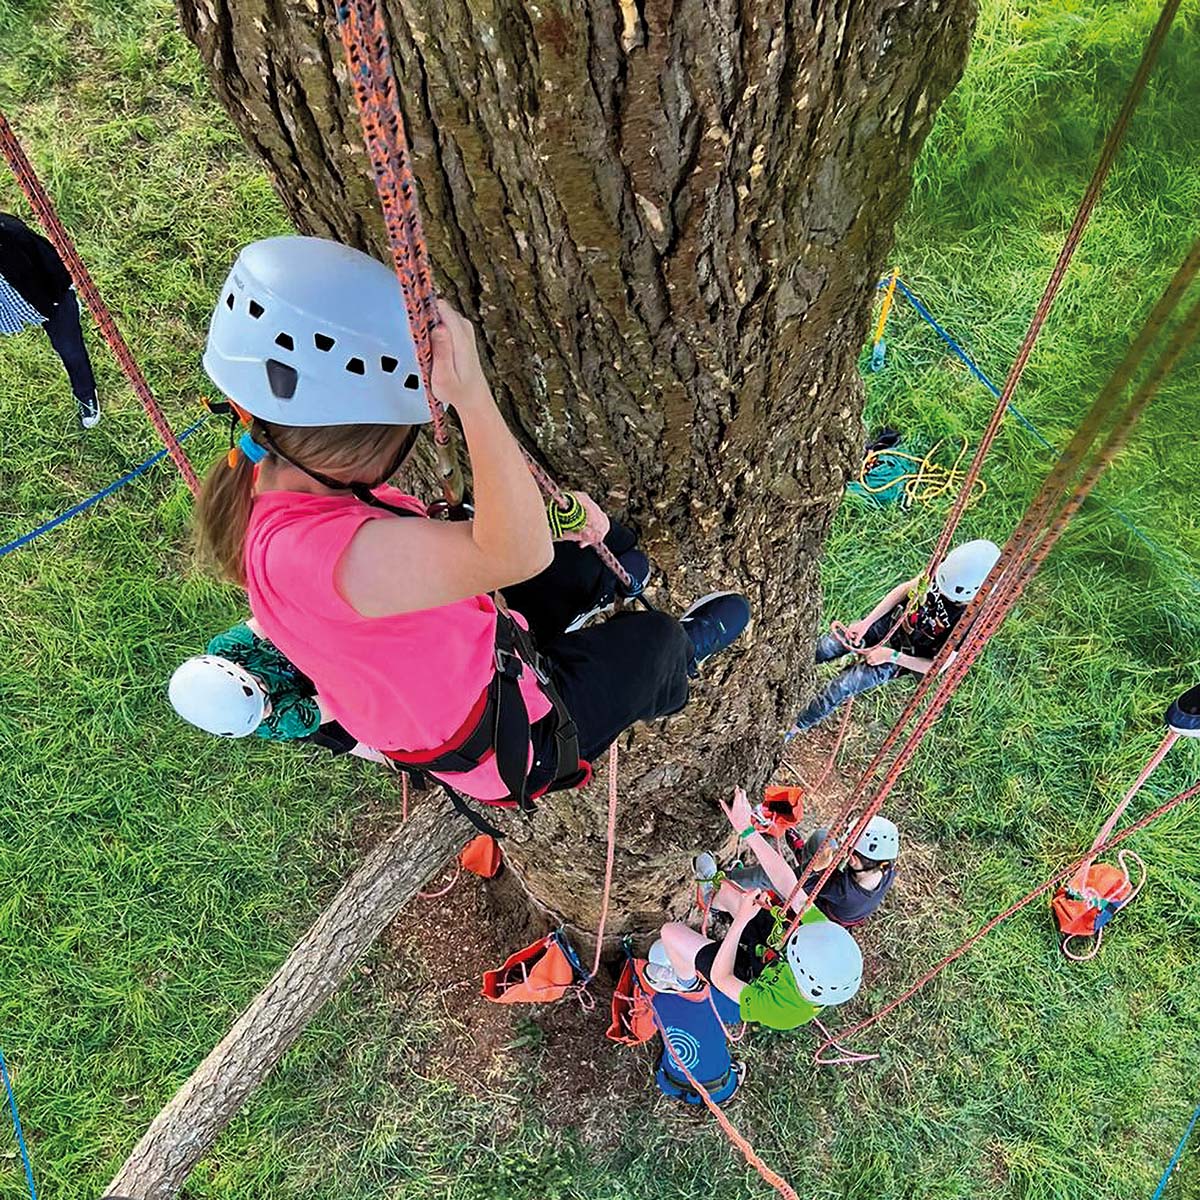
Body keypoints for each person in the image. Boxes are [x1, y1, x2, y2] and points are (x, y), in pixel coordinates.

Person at [195, 236, 750, 820]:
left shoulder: (278, 489)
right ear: (358, 457)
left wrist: (547, 529)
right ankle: (685, 652)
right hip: (510, 740)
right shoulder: (324, 557)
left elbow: (497, 549)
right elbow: (516, 554)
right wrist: (470, 394)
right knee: (652, 647)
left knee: (597, 559)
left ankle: (595, 592)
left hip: (474, 641)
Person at [646, 787, 863, 1031]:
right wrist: (746, 830)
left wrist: (739, 923)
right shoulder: (821, 936)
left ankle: (684, 981)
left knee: (671, 933)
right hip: (772, 944)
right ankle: (712, 899)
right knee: (730, 893)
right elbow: (788, 884)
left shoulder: (781, 1011)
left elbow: (722, 977)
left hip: (745, 975)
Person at [786, 539, 1001, 736]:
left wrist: (892, 656)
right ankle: (781, 672)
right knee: (827, 646)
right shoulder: (945, 570)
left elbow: (938, 666)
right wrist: (866, 623)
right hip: (890, 624)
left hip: (904, 655)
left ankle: (794, 728)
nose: (941, 592)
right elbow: (905, 590)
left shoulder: (968, 621)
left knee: (843, 686)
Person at [168, 618, 387, 761]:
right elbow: (347, 701)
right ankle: (396, 761)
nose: (266, 711)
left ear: (237, 667)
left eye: (261, 695)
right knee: (359, 739)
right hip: (316, 707)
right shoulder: (280, 720)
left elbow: (270, 617)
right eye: (260, 710)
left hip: (308, 659)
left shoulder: (226, 649)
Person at [708, 814, 900, 928]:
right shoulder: (884, 867)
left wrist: (816, 868)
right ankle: (804, 857)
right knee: (822, 837)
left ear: (854, 858)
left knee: (768, 876)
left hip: (812, 908)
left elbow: (792, 884)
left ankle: (720, 882)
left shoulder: (843, 891)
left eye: (847, 848)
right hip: (835, 893)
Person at [0, 212, 100, 428]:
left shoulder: (11, 234)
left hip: (49, 301)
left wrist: (64, 292)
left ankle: (86, 394)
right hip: (7, 307)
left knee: (70, 350)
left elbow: (49, 259)